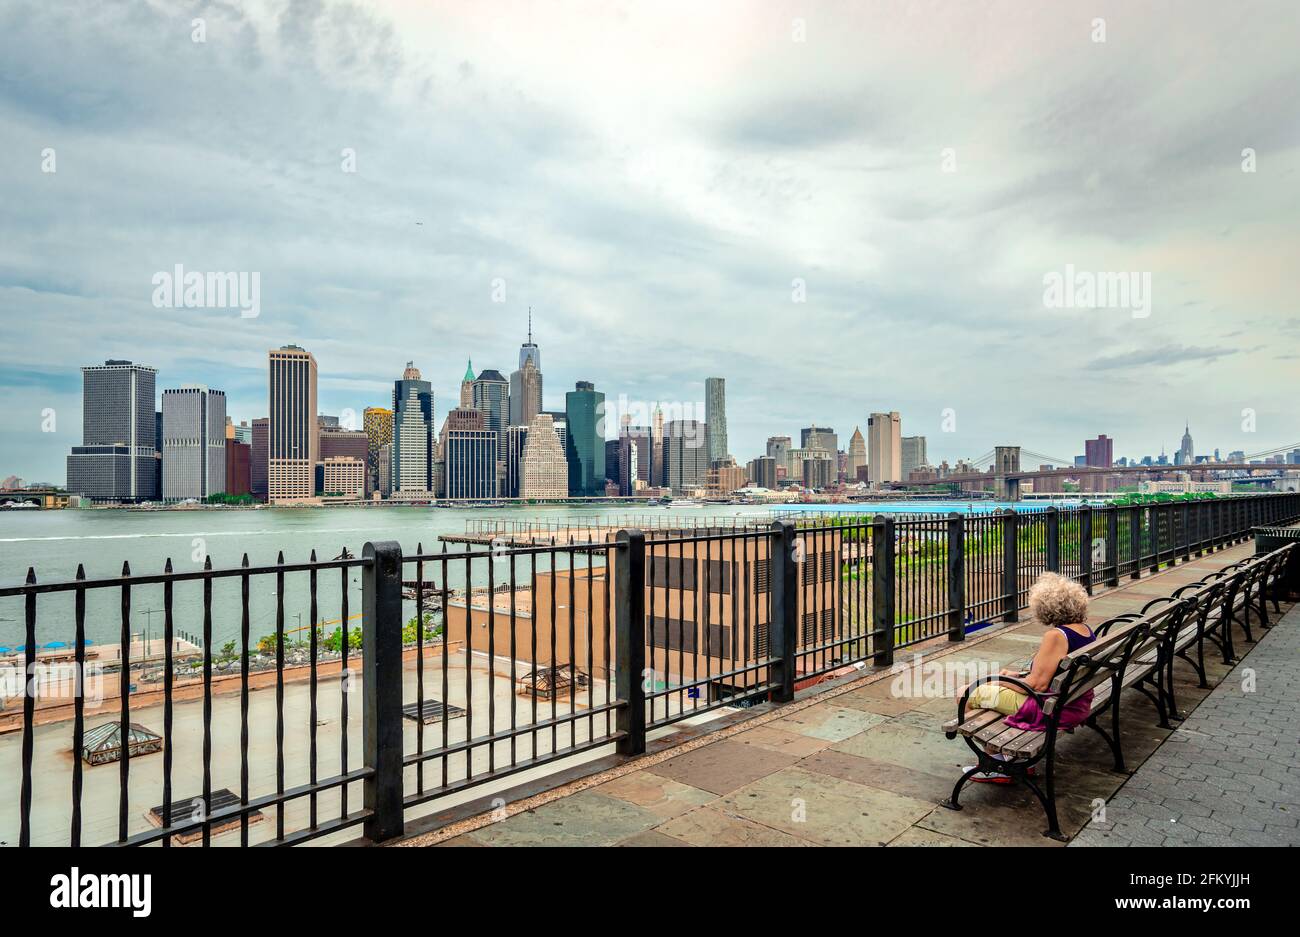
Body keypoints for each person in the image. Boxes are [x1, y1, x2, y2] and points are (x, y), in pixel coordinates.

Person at [960, 572, 1094, 783]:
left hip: (1049, 709)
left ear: (1046, 608)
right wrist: (1016, 675)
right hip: (1072, 703)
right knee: (985, 694)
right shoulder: (1084, 630)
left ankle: (998, 764)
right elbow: (1048, 674)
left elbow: (1036, 685)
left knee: (966, 694)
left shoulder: (1056, 636)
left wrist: (999, 680)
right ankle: (1003, 756)